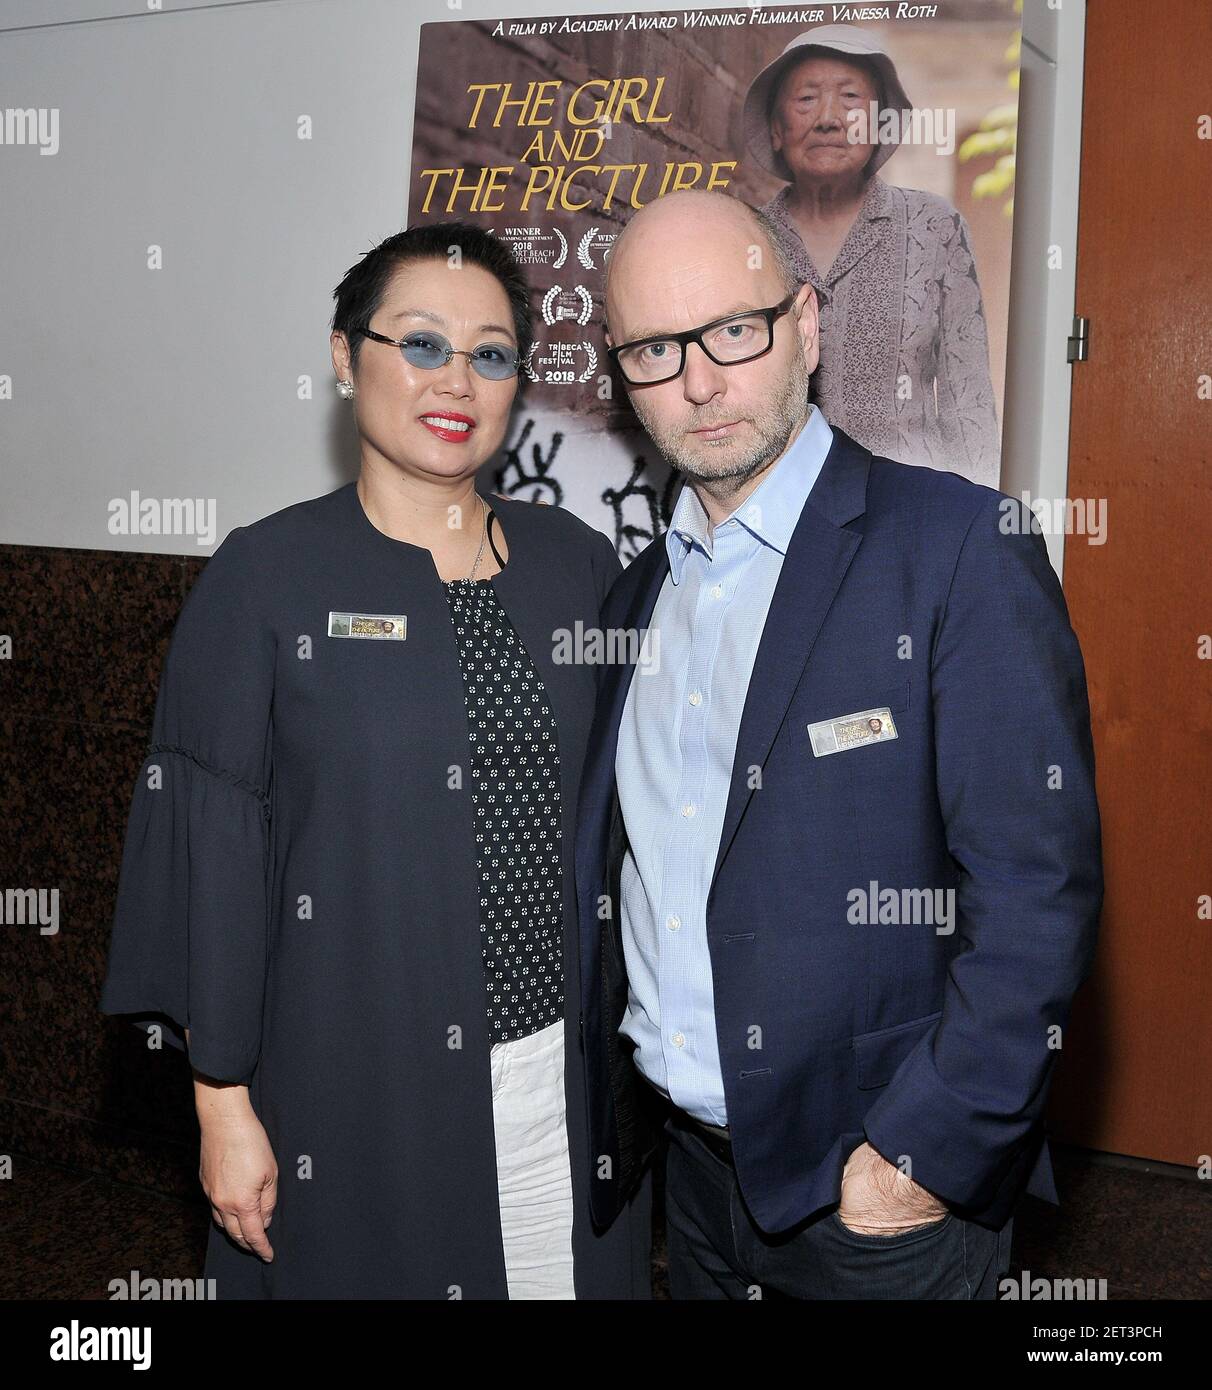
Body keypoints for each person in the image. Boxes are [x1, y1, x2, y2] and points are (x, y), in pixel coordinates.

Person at [100, 220, 652, 1299]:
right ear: (347, 357)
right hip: (356, 1084)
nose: (458, 380)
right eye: (421, 343)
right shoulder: (264, 578)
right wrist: (223, 1107)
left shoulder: (578, 567)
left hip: (563, 1087)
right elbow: (210, 855)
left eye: (492, 353)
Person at [576, 187, 1103, 1299]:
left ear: (807, 324)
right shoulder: (634, 599)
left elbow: (1036, 893)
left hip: (879, 1198)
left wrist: (921, 1157)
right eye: (655, 349)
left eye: (734, 328)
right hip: (698, 1185)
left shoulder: (957, 547)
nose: (702, 380)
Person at [742, 24, 1002, 484]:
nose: (828, 118)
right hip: (782, 513)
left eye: (850, 98)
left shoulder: (934, 226)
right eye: (806, 99)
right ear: (777, 129)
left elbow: (970, 406)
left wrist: (979, 525)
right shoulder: (748, 239)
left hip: (914, 511)